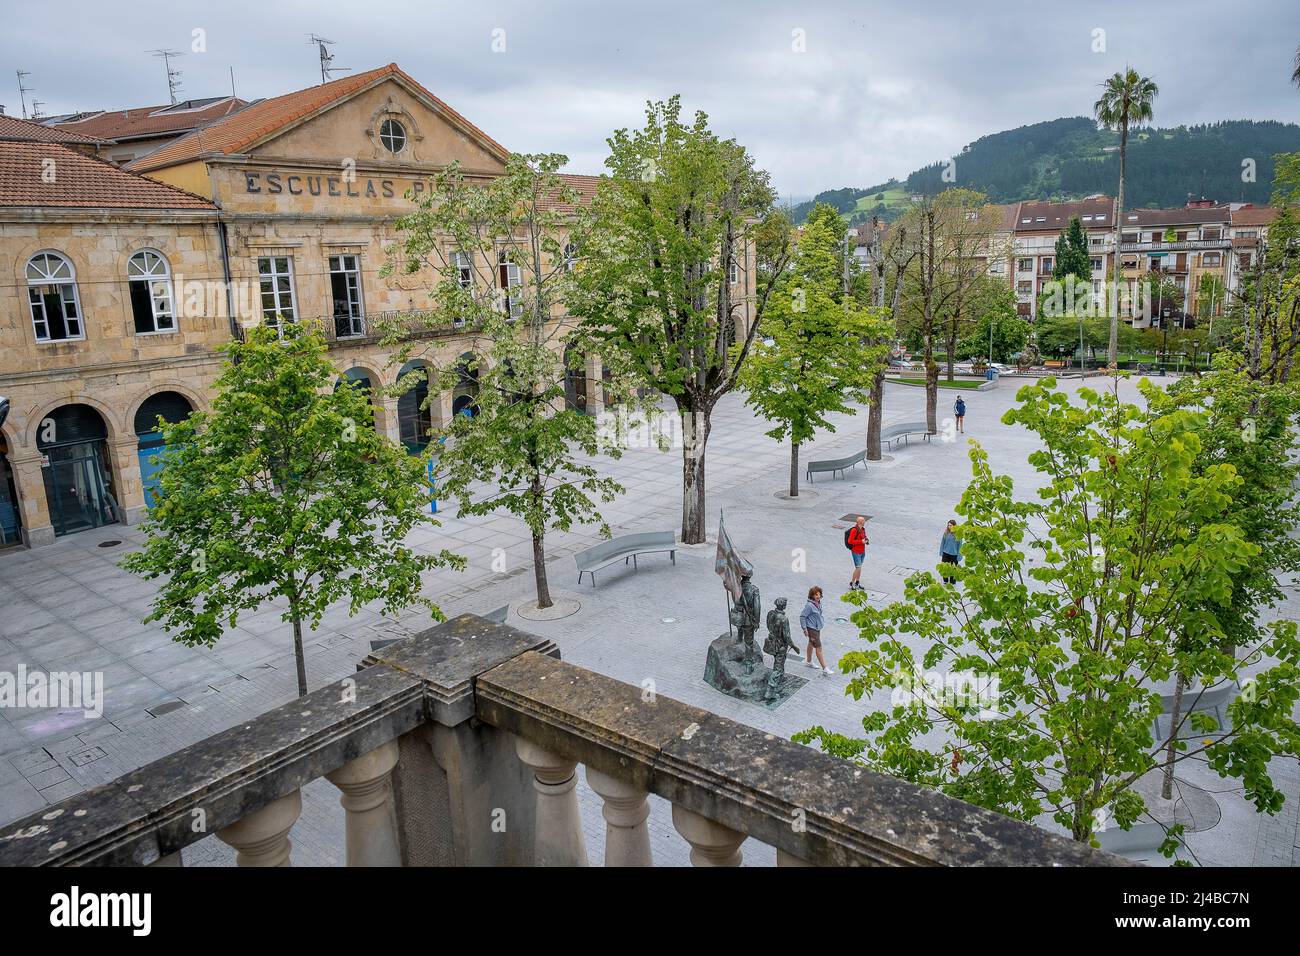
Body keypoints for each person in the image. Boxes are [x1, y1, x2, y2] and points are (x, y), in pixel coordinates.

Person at [763, 597, 798, 699]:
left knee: (779, 661)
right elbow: (787, 636)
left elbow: (768, 625)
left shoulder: (771, 614)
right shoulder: (784, 619)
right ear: (783, 606)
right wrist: (793, 646)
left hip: (772, 642)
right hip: (780, 645)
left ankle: (781, 677)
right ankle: (770, 691)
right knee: (777, 667)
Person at [800, 586, 833, 676]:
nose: (818, 596)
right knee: (819, 648)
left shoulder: (818, 603)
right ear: (812, 596)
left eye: (819, 594)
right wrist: (805, 629)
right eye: (816, 594)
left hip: (816, 628)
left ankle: (809, 661)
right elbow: (802, 616)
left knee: (811, 643)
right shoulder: (809, 606)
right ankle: (825, 668)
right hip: (812, 629)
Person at [846, 515, 869, 591]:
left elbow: (864, 536)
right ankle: (852, 583)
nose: (864, 521)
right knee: (858, 568)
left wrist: (866, 540)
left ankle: (857, 583)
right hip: (856, 552)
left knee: (859, 568)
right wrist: (860, 541)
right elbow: (850, 541)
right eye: (863, 521)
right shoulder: (854, 530)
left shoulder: (862, 529)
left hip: (862, 551)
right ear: (860, 522)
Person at [940, 519, 962, 584]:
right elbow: (942, 543)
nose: (949, 526)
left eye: (951, 525)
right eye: (948, 525)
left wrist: (959, 555)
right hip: (945, 553)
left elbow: (960, 546)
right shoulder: (946, 533)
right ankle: (945, 581)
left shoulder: (958, 534)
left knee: (953, 569)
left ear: (954, 526)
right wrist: (941, 552)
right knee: (944, 568)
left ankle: (952, 582)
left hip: (954, 554)